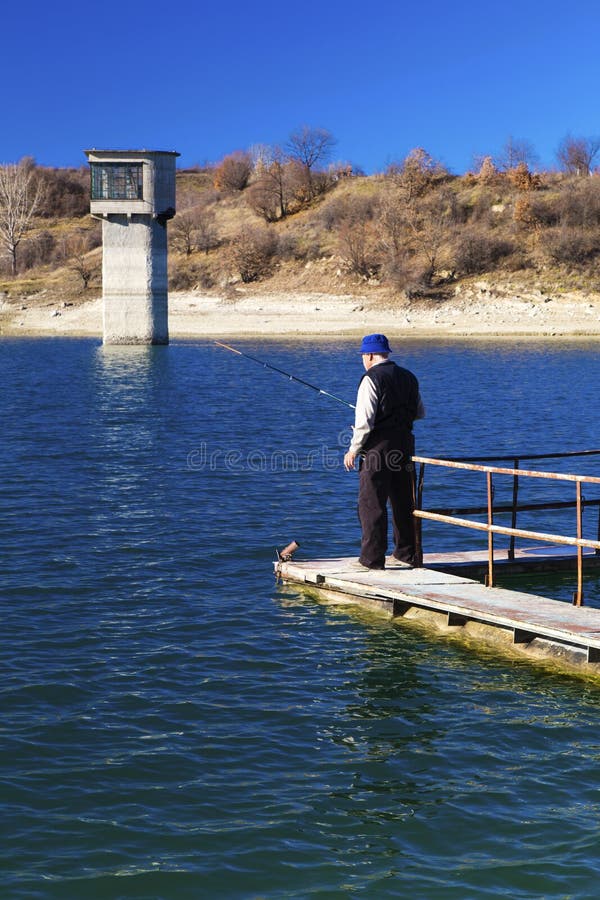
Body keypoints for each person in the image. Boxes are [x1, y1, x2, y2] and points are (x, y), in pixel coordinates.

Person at [343, 333, 425, 570]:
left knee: (371, 503)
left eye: (363, 356)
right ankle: (406, 554)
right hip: (405, 446)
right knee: (403, 501)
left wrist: (353, 450)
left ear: (368, 355)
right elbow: (420, 412)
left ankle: (372, 559)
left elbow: (364, 423)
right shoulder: (409, 377)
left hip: (378, 450)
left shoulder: (371, 379)